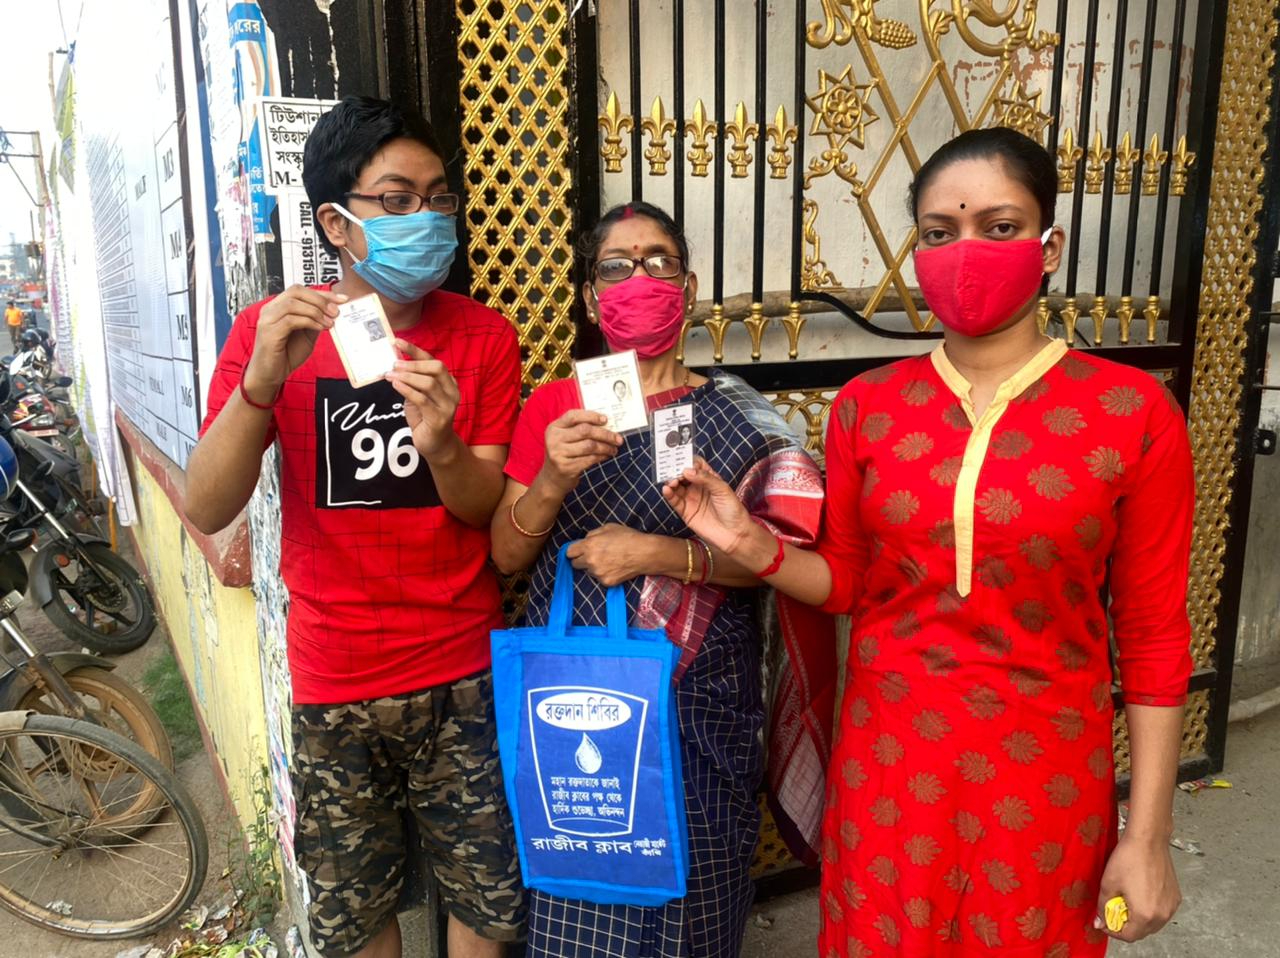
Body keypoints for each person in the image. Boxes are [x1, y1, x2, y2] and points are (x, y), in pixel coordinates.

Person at [662, 127, 1193, 956]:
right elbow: (844, 583)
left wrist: (1149, 833)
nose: (967, 251)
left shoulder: (1132, 414)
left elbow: (1155, 635)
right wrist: (749, 542)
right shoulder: (869, 406)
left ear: (1049, 246)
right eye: (940, 234)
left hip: (1045, 782)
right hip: (889, 778)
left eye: (1000, 225)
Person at [184, 96, 525, 958]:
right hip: (336, 678)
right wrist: (260, 383)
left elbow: (485, 512)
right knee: (353, 914)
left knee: (485, 902)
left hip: (462, 672)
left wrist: (443, 443)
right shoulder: (273, 335)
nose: (428, 219)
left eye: (440, 199)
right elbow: (206, 504)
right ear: (337, 222)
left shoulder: (482, 338)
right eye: (399, 200)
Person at [490, 201, 826, 958]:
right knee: (580, 891)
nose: (638, 278)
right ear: (589, 296)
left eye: (658, 262)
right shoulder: (556, 407)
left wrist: (658, 553)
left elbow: (784, 565)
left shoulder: (743, 418)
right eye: (616, 266)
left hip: (700, 708)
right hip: (578, 704)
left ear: (689, 286)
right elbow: (507, 558)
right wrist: (549, 476)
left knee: (697, 903)